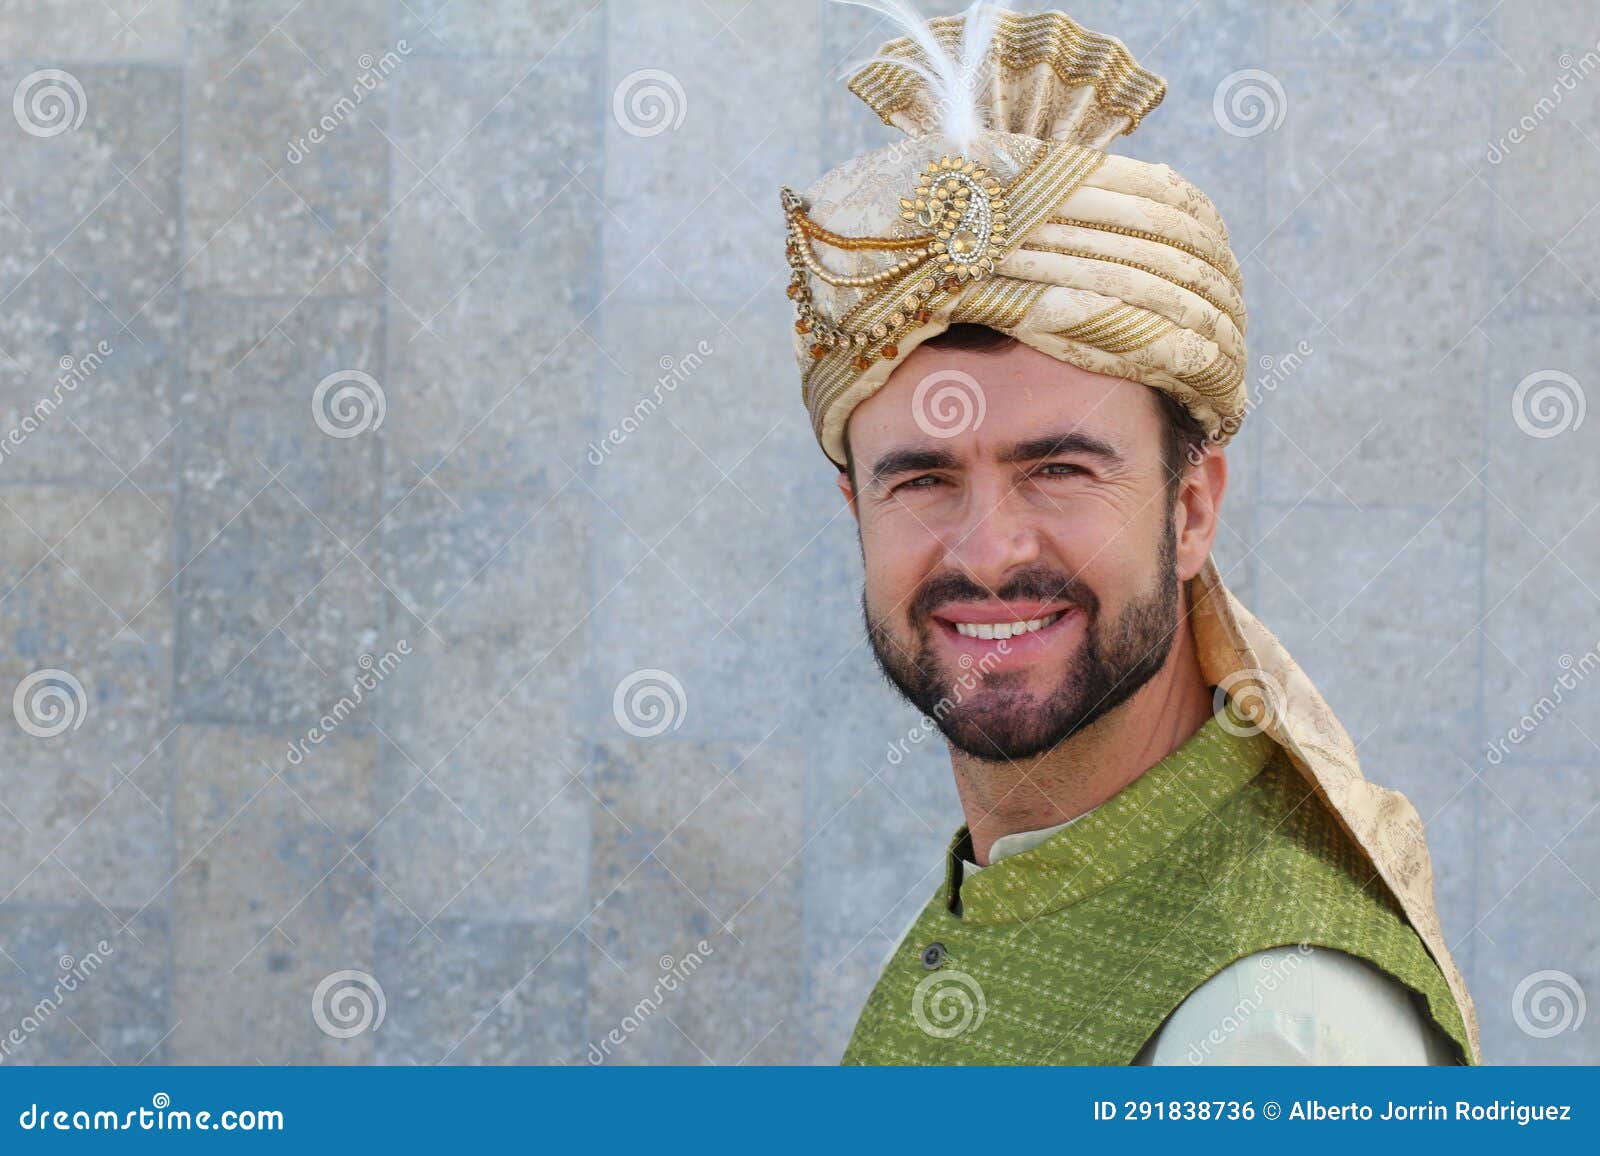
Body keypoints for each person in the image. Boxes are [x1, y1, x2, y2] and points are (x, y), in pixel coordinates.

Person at [779, 2, 1480, 1064]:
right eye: (921, 478)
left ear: (1190, 509)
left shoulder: (1273, 1029)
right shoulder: (1019, 879)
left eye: (1056, 470)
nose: (987, 550)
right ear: (855, 512)